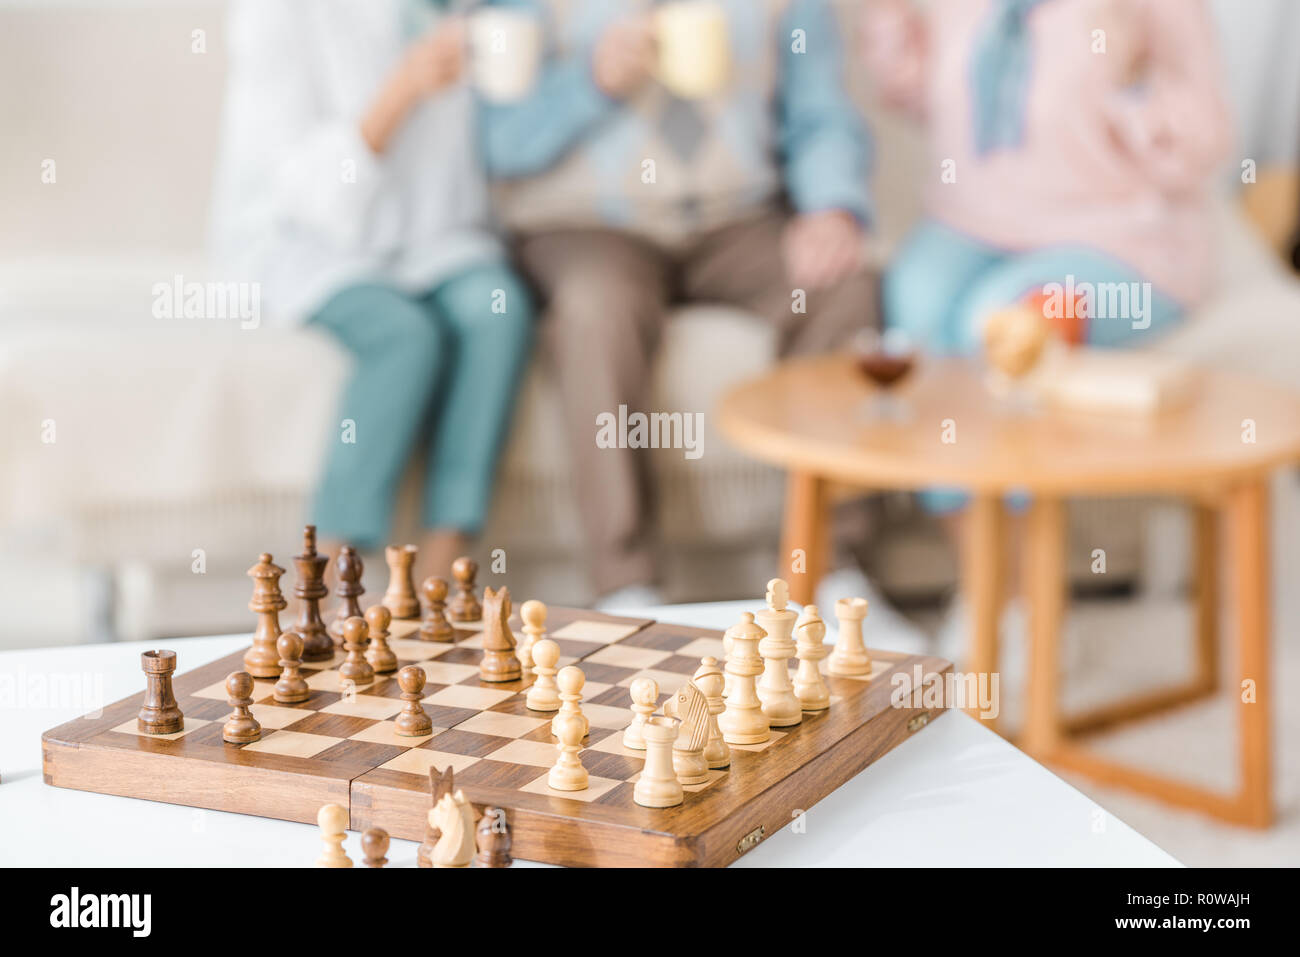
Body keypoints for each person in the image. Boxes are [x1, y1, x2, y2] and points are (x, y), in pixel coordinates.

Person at [862, 0, 1231, 661]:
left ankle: (1027, 599)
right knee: (913, 300)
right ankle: (991, 588)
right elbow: (916, 96)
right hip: (970, 225)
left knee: (1001, 321)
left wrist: (1133, 76)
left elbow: (1201, 144)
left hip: (1118, 237)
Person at [482, 0, 877, 608]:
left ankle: (832, 571)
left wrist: (831, 205)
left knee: (842, 288)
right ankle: (625, 585)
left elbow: (823, 116)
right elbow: (498, 143)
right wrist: (589, 84)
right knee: (596, 306)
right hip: (587, 224)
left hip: (738, 219)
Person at [210, 0, 534, 580]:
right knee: (405, 336)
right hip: (309, 237)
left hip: (437, 235)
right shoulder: (274, 16)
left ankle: (440, 578)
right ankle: (330, 581)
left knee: (498, 311)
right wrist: (402, 91)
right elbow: (303, 186)